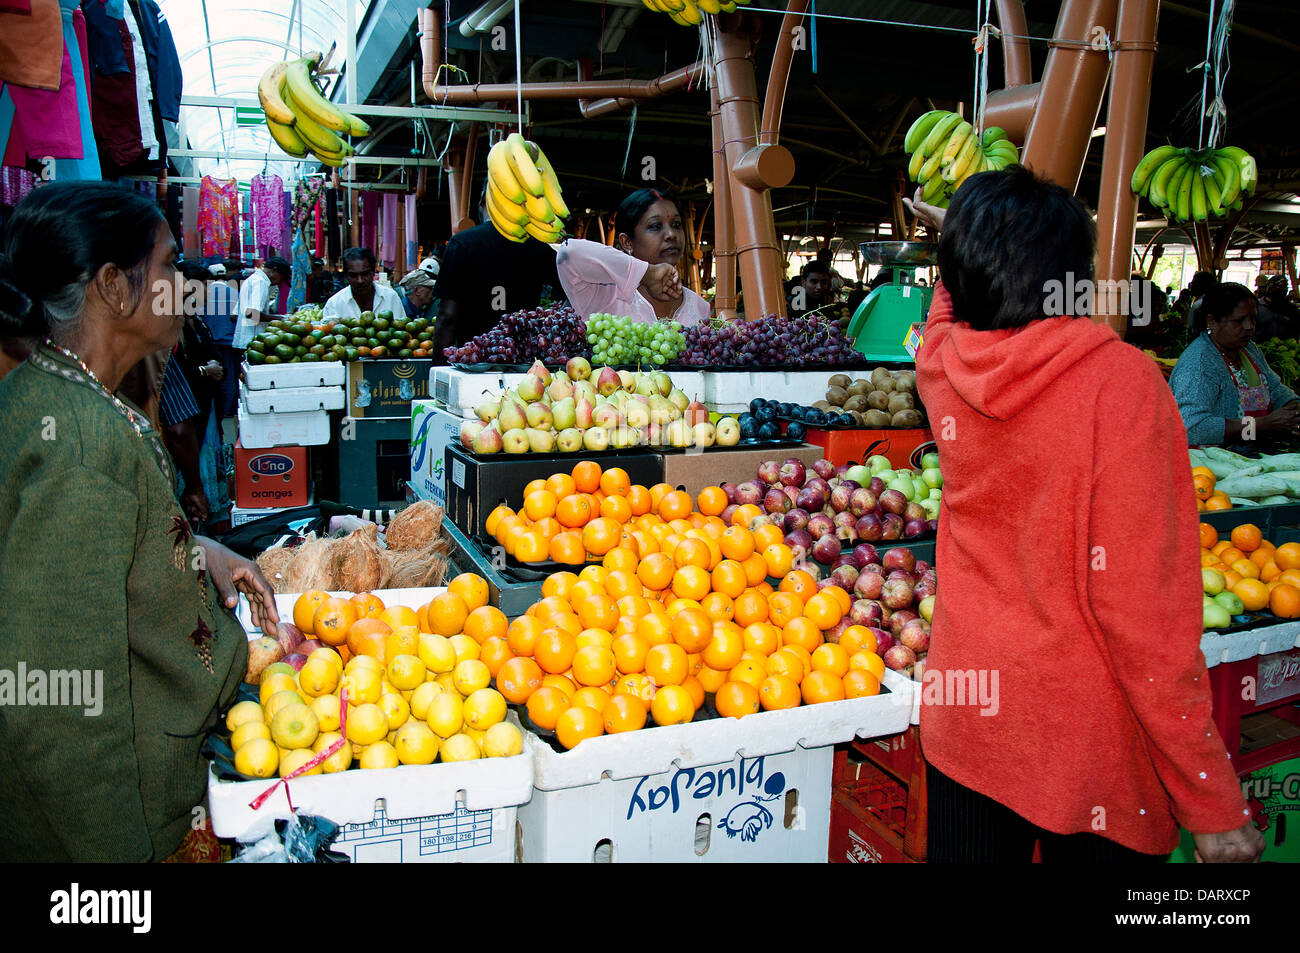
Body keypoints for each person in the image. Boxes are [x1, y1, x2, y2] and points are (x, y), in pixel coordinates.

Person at [911, 168, 1262, 863]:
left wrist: (963, 241)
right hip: (1084, 744)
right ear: (1072, 275)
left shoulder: (943, 366)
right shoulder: (1123, 386)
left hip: (969, 718)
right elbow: (1143, 615)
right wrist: (1209, 796)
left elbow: (944, 311)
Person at [0, 182, 279, 862]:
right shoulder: (80, 441)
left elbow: (102, 550)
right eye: (170, 267)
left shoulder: (59, 393)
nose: (184, 288)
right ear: (114, 289)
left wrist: (197, 550)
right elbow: (57, 705)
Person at [434, 189, 562, 358]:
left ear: (482, 202)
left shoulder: (462, 243)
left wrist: (438, 367)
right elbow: (565, 296)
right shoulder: (539, 247)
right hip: (522, 361)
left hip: (473, 360)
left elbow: (447, 316)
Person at [1170, 281, 1300, 447]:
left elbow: (1274, 388)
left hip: (1252, 454)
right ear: (1212, 321)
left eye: (1253, 319)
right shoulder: (1199, 364)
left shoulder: (1249, 350)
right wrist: (1262, 424)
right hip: (1213, 463)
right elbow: (1193, 428)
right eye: (1239, 321)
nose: (1249, 327)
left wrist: (1293, 408)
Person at [555, 189, 708, 327]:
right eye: (655, 226)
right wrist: (648, 274)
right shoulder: (599, 293)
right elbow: (569, 252)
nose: (671, 234)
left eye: (676, 224)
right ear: (627, 242)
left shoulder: (700, 308)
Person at [198, 261, 240, 418]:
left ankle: (218, 411)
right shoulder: (234, 291)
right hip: (229, 341)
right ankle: (228, 411)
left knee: (214, 377)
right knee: (230, 376)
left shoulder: (206, 292)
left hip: (211, 341)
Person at [323, 247, 405, 321]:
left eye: (365, 274)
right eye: (353, 275)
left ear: (373, 272)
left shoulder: (391, 297)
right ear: (346, 276)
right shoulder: (334, 304)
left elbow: (402, 331)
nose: (360, 281)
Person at [233, 255, 290, 354]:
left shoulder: (252, 280)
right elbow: (251, 314)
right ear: (274, 270)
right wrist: (281, 318)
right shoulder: (261, 282)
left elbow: (234, 316)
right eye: (281, 277)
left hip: (243, 340)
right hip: (253, 342)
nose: (280, 282)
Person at [398, 257, 440, 322]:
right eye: (430, 288)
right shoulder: (403, 311)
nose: (433, 292)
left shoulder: (418, 310)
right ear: (417, 290)